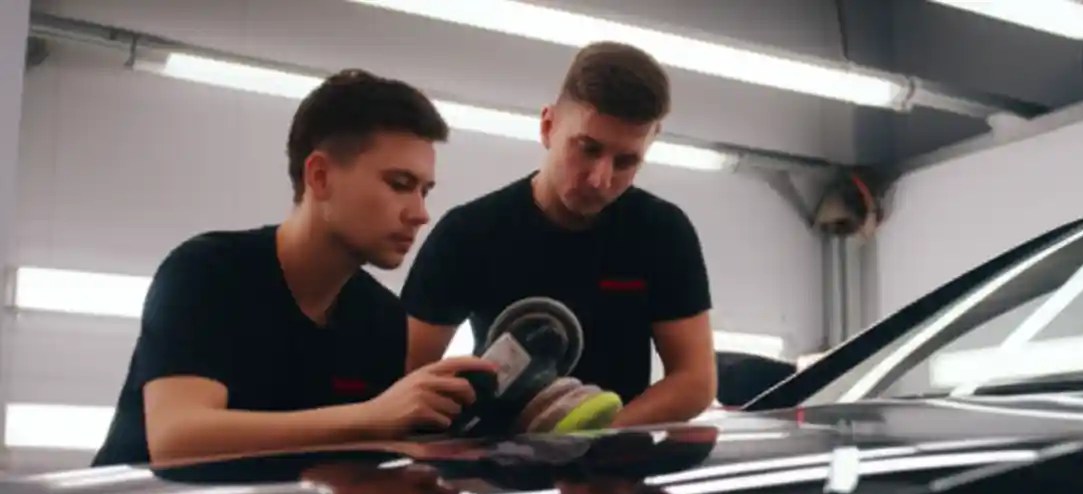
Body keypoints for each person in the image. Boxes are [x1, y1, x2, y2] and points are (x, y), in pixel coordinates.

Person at [93, 69, 495, 468]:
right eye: (400, 184)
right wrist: (372, 416)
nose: (420, 214)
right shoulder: (207, 272)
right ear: (320, 176)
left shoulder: (382, 318)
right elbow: (176, 440)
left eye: (425, 191)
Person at [400, 41, 717, 428]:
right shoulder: (468, 232)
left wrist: (592, 436)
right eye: (588, 149)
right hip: (495, 456)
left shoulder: (663, 233)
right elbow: (406, 378)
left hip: (615, 457)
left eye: (626, 161)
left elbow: (695, 381)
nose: (600, 179)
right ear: (548, 126)